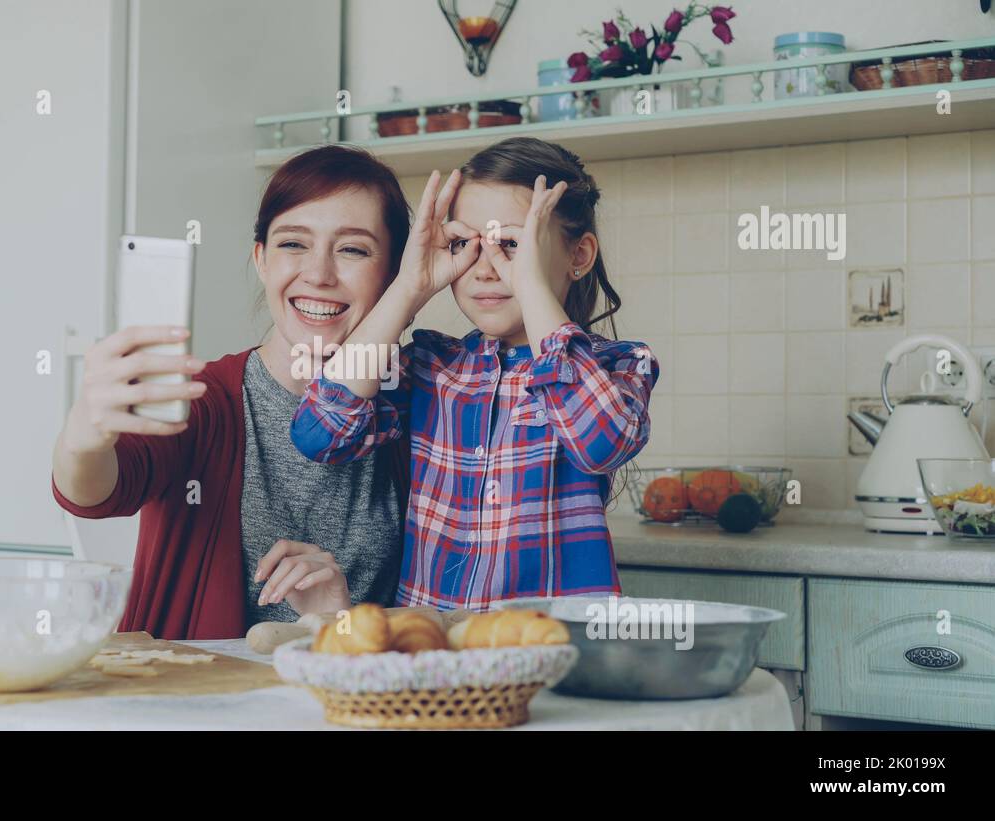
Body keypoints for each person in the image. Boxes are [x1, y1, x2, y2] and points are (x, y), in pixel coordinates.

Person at [52, 145, 412, 639]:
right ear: (261, 260)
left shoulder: (409, 415)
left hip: (349, 702)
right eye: (292, 244)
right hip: (195, 703)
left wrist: (339, 621)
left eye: (353, 249)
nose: (320, 274)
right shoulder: (206, 402)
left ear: (394, 276)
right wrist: (82, 437)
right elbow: (94, 492)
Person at [291, 137, 659, 611]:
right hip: (437, 655)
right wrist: (408, 286)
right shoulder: (430, 368)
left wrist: (529, 286)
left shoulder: (618, 366)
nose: (486, 269)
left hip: (557, 654)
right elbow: (320, 432)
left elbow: (602, 442)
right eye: (466, 244)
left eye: (512, 244)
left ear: (579, 256)